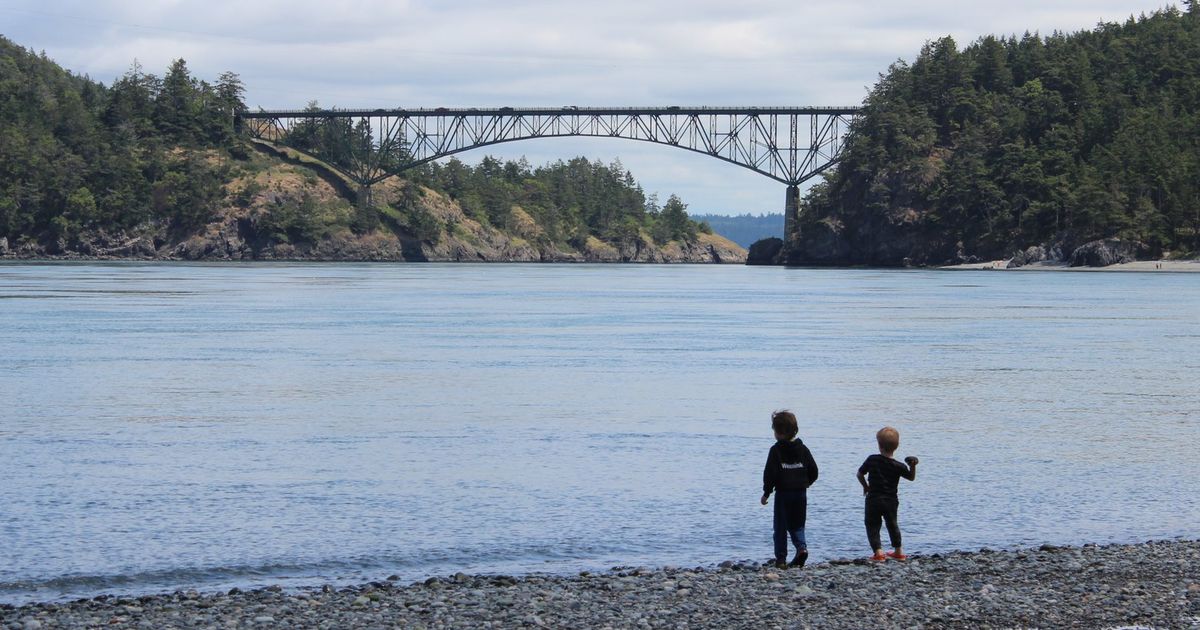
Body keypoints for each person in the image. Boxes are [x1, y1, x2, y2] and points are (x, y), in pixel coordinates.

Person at [760, 410, 819, 569]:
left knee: (780, 526)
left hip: (783, 493)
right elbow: (814, 470)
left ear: (779, 432)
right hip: (800, 493)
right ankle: (802, 548)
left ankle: (780, 559)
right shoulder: (803, 449)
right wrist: (805, 482)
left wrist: (766, 492)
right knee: (797, 524)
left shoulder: (776, 450)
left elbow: (770, 473)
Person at [856, 426, 918, 561]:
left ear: (879, 445)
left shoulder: (872, 459)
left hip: (873, 498)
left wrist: (865, 486)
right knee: (892, 524)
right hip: (891, 500)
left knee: (872, 524)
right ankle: (899, 551)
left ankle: (878, 553)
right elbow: (911, 477)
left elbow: (859, 474)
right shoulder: (899, 466)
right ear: (896, 446)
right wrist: (912, 466)